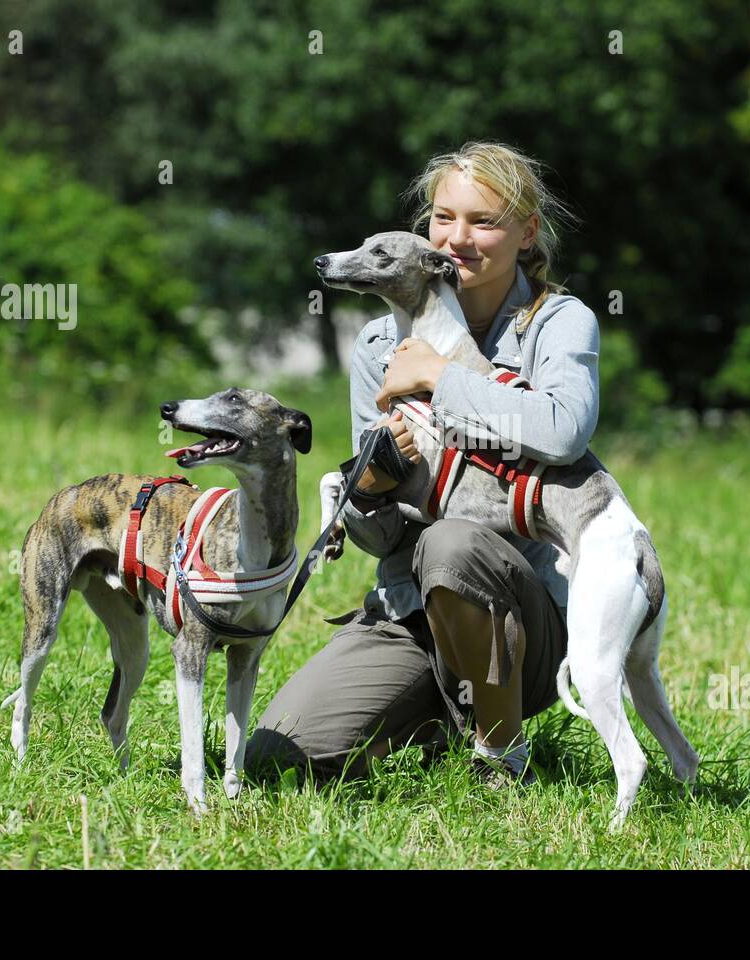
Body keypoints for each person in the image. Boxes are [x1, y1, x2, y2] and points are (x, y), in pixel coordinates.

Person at [246, 141, 600, 787]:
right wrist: (373, 491)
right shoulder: (380, 342)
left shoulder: (557, 323)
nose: (458, 238)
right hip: (411, 606)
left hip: (532, 624)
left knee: (454, 542)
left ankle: (500, 758)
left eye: (482, 221)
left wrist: (440, 376)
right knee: (281, 758)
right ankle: (436, 713)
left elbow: (565, 431)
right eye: (443, 218)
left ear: (526, 234)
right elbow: (379, 539)